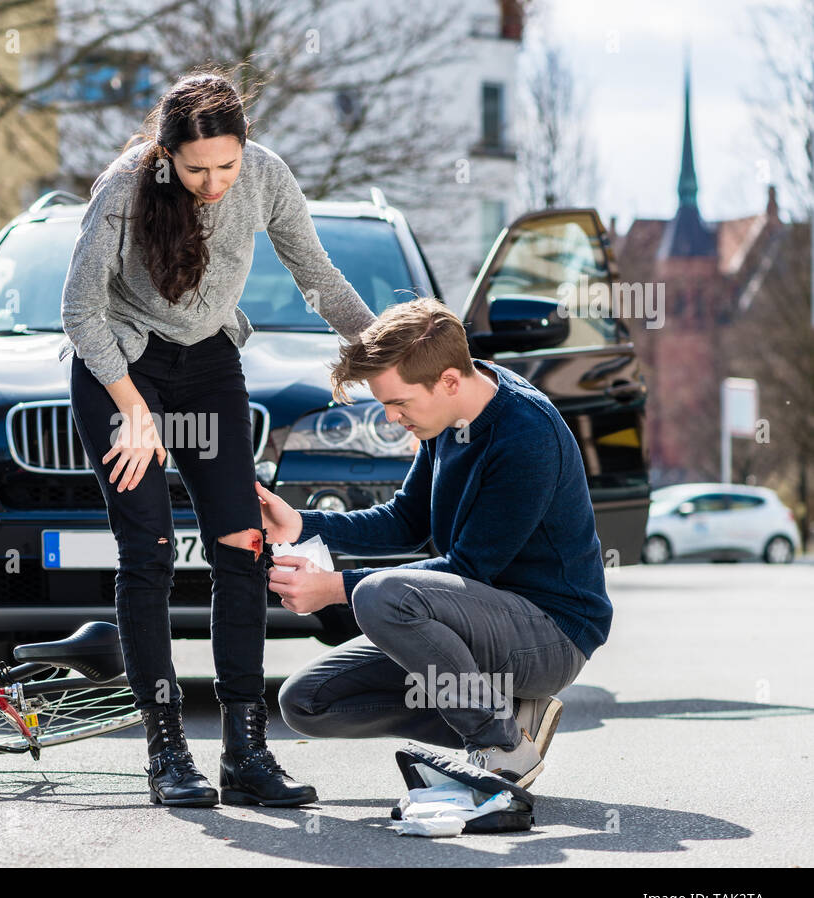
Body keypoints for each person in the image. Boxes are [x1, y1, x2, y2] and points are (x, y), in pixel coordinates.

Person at [59, 70, 377, 807]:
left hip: (207, 365)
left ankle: (246, 750)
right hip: (120, 364)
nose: (214, 182)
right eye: (197, 168)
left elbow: (319, 277)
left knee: (242, 546)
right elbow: (80, 311)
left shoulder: (266, 176)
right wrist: (134, 409)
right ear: (167, 155)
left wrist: (386, 350)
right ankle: (167, 749)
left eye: (226, 165)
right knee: (150, 552)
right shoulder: (122, 189)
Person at [261, 297, 613, 789]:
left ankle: (500, 747)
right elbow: (406, 521)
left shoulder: (526, 436)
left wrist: (334, 587)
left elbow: (469, 570)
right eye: (385, 403)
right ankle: (512, 718)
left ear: (449, 380)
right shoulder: (449, 412)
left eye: (398, 403)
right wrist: (299, 524)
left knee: (379, 596)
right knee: (306, 701)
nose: (390, 418)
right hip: (473, 623)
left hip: (551, 633)